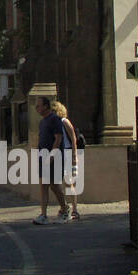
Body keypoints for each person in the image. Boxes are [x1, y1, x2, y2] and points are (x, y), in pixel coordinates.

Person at [33, 95, 70, 224]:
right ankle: (43, 215)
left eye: (38, 105)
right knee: (44, 185)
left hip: (53, 157)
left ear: (45, 106)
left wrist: (52, 155)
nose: (36, 108)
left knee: (54, 185)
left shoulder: (55, 119)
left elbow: (58, 138)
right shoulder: (42, 121)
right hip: (43, 156)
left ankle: (65, 209)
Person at [56, 101, 82, 221]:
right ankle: (65, 207)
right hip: (60, 153)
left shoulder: (64, 121)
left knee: (69, 182)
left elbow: (73, 138)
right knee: (60, 183)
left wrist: (74, 155)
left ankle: (75, 209)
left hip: (67, 152)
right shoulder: (55, 124)